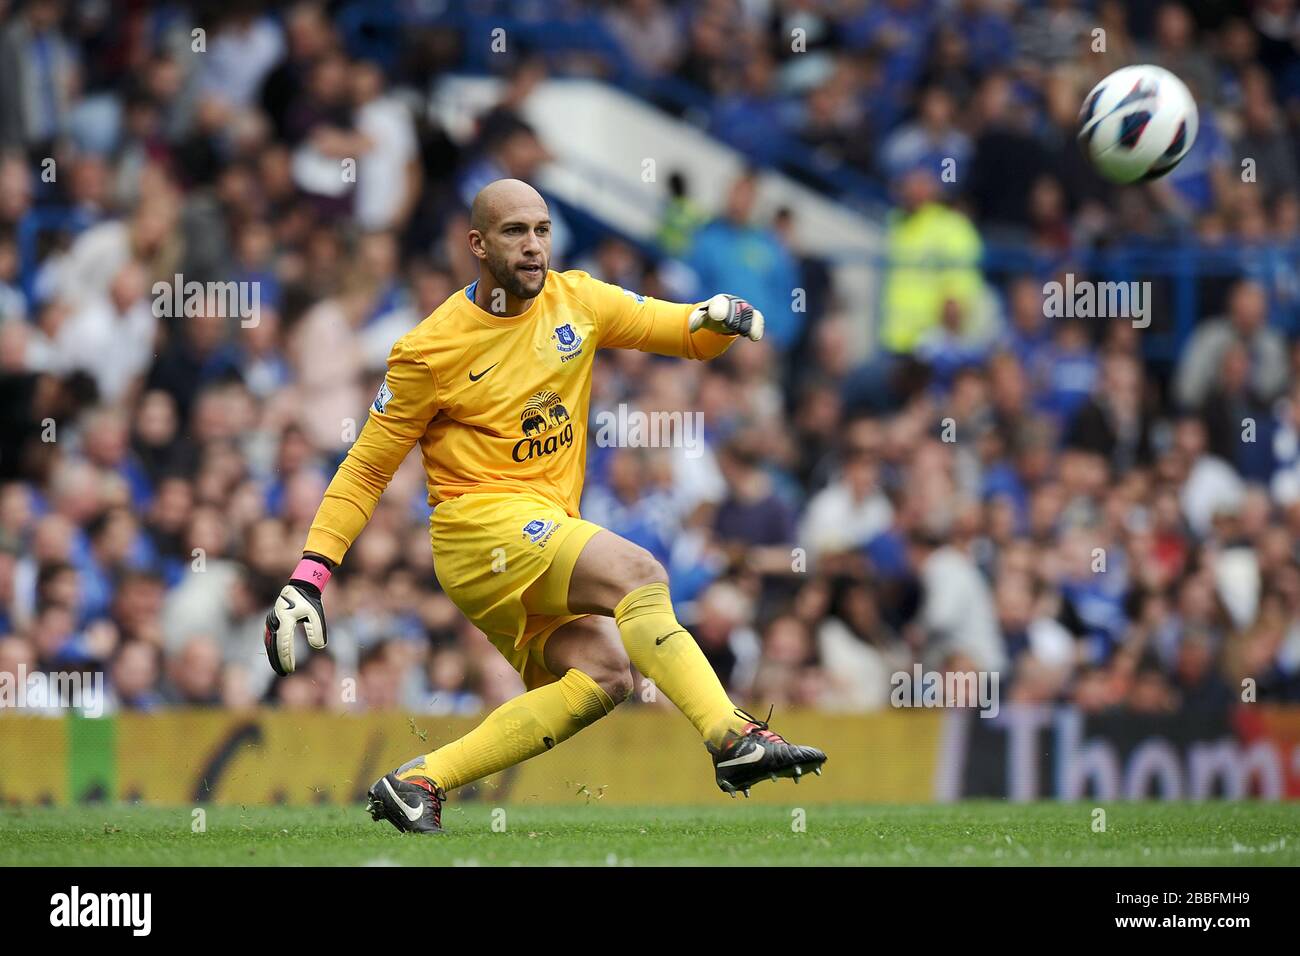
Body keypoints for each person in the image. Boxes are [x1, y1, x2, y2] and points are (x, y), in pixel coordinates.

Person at [263, 179, 826, 834]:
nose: (533, 247)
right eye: (514, 232)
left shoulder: (576, 299)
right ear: (476, 244)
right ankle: (732, 736)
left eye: (541, 230)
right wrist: (310, 576)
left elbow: (680, 331)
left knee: (606, 675)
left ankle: (418, 781)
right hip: (476, 532)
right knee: (640, 573)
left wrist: (716, 318)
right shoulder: (429, 348)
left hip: (544, 527)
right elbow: (365, 468)